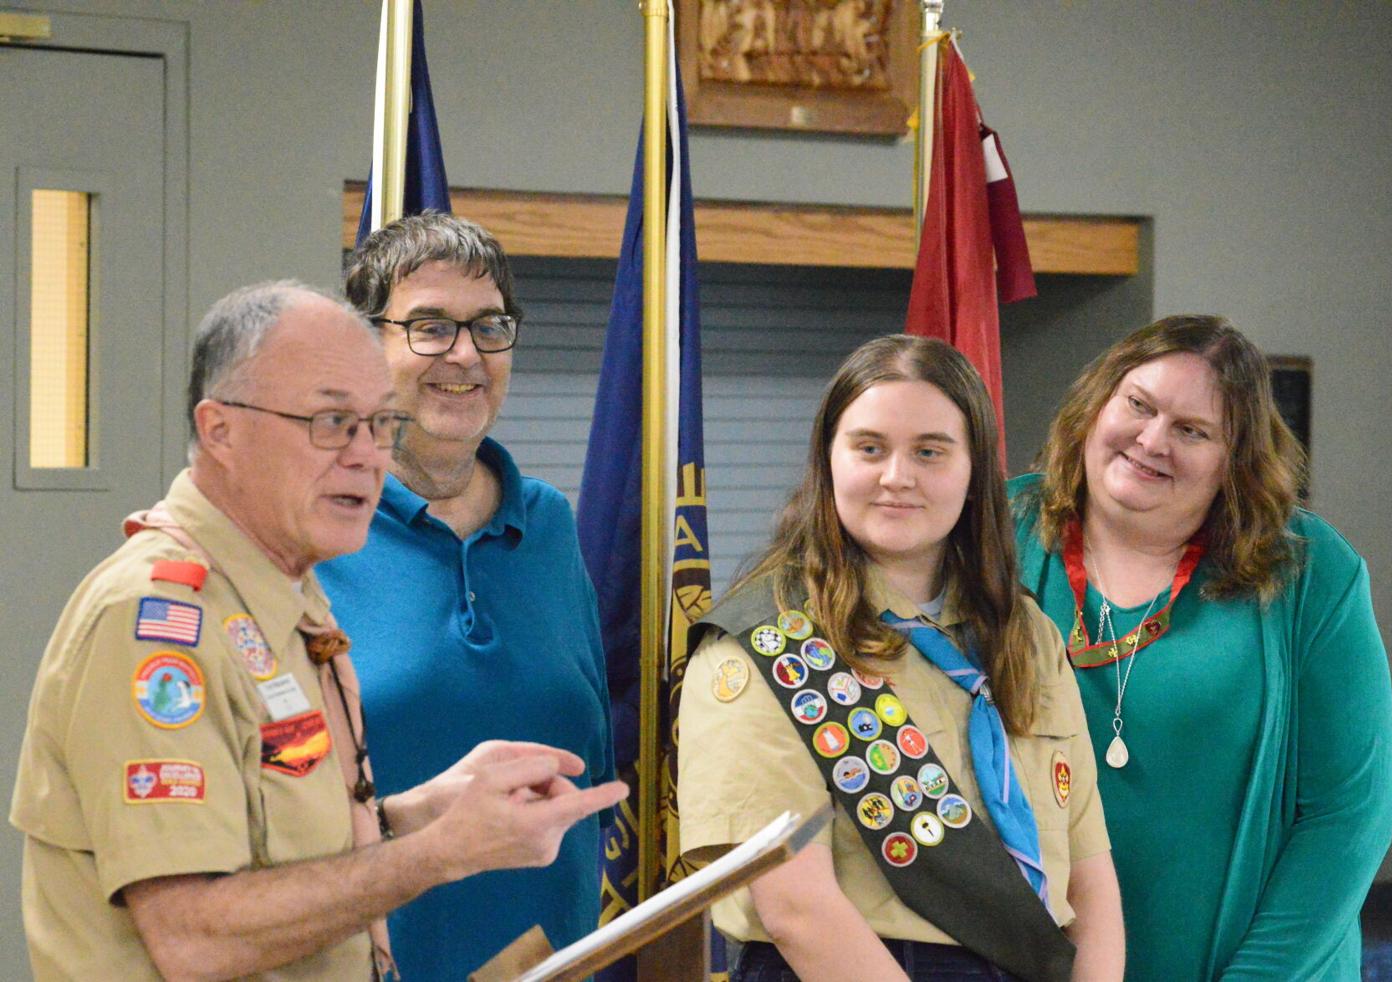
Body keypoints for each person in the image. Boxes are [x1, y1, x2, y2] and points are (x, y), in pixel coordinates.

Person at [8, 281, 627, 981]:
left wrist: (414, 815)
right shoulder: (157, 624)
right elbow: (193, 936)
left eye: (380, 425)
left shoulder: (287, 602)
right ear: (221, 431)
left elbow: (279, 860)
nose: (367, 455)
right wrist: (440, 852)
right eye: (332, 424)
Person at [679, 335, 1125, 982]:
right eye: (869, 448)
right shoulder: (766, 643)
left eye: (929, 451)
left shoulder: (1024, 632)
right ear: (827, 462)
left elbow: (1089, 874)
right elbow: (797, 909)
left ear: (974, 471)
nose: (897, 476)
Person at [1009, 315, 1392, 980]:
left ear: (1232, 461)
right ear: (1096, 403)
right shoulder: (997, 528)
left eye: (1193, 431)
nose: (1152, 440)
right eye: (1138, 405)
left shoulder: (1308, 572)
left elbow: (1347, 817)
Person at [316, 212, 617, 979]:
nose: (465, 354)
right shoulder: (310, 537)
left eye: (489, 327)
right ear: (364, 348)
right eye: (428, 327)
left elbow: (590, 763)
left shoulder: (548, 524)